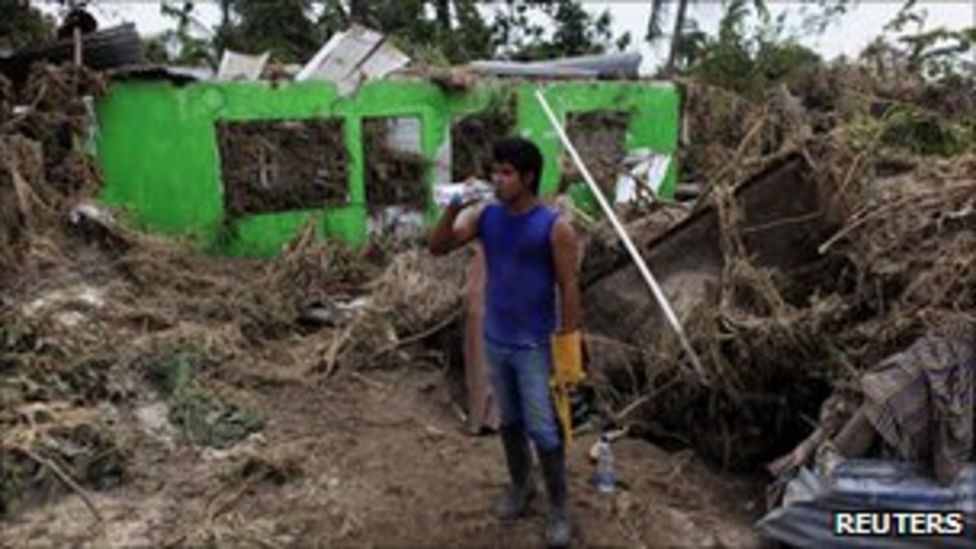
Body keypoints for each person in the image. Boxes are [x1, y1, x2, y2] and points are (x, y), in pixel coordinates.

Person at [428, 137, 581, 547]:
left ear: (528, 177)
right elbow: (437, 247)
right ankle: (521, 487)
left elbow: (569, 287)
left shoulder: (554, 227)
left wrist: (568, 349)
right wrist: (454, 206)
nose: (497, 179)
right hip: (496, 340)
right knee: (509, 423)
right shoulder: (486, 218)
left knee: (545, 432)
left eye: (506, 172)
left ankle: (559, 507)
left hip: (534, 347)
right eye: (495, 171)